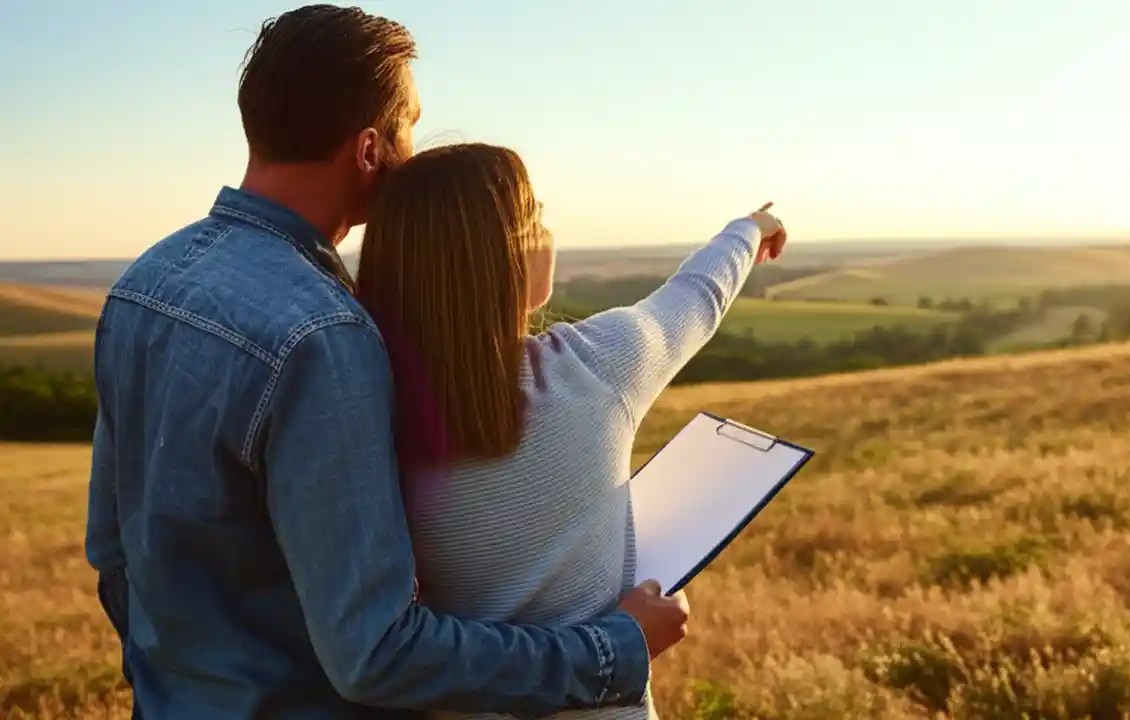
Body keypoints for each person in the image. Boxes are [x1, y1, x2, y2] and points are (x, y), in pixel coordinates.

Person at [84, 6, 690, 719]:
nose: (413, 153)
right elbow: (377, 654)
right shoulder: (324, 337)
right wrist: (612, 650)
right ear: (370, 150)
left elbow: (114, 556)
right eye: (408, 127)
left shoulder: (145, 284)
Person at [355, 143, 787, 719]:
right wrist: (749, 228)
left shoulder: (363, 411)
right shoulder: (595, 367)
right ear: (505, 258)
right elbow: (699, 295)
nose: (548, 231)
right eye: (536, 216)